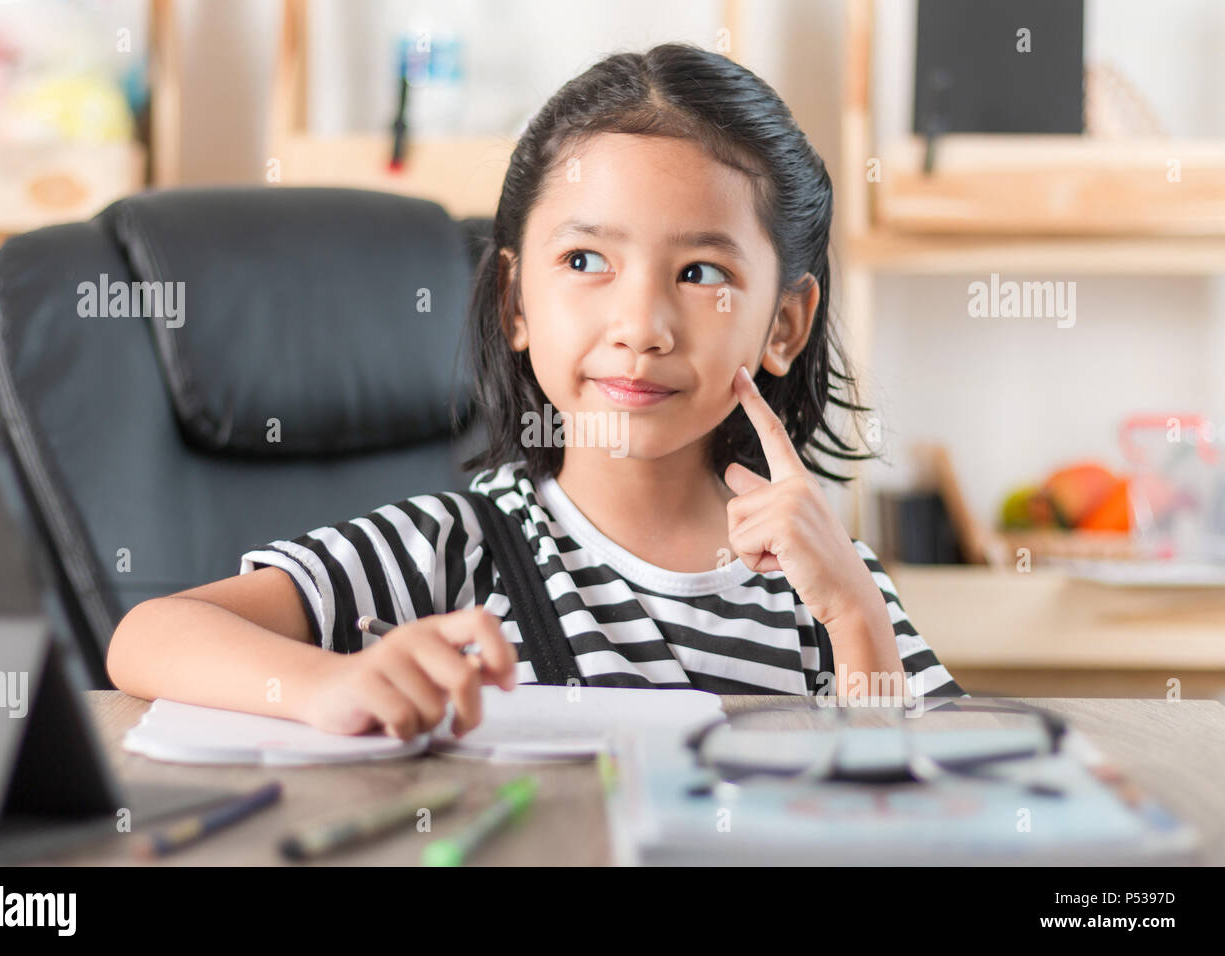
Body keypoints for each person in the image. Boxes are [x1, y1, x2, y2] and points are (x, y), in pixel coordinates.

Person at [107, 42, 963, 741]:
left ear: (783, 323)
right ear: (516, 300)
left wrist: (855, 619)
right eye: (586, 261)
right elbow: (148, 637)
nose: (642, 325)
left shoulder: (828, 583)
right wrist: (328, 684)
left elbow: (916, 807)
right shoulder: (455, 549)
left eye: (701, 271)